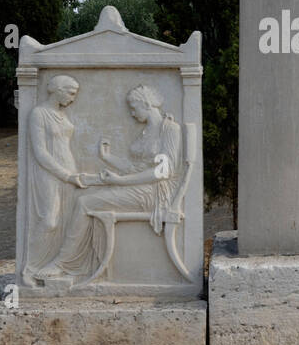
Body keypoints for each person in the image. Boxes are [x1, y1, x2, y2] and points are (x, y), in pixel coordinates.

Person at [35, 84, 182, 282]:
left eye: (134, 107)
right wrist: (108, 158)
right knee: (92, 191)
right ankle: (79, 261)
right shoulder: (146, 131)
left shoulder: (169, 128)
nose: (131, 113)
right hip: (139, 186)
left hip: (155, 193)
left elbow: (164, 171)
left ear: (146, 104)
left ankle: (63, 262)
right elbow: (134, 167)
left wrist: (122, 182)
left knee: (85, 202)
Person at [23, 75, 84, 282]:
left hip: (69, 170)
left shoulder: (62, 114)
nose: (73, 98)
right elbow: (40, 153)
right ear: (58, 89)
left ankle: (58, 266)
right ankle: (29, 268)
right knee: (49, 221)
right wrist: (66, 175)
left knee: (67, 221)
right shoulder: (39, 114)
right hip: (49, 173)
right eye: (71, 93)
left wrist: (72, 174)